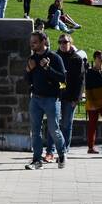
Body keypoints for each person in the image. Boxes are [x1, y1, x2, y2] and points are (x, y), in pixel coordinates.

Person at [25, 31, 67, 170]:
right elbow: (27, 80)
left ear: (43, 42)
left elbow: (62, 79)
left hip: (51, 99)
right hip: (36, 99)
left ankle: (61, 153)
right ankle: (37, 160)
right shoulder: (32, 58)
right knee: (35, 131)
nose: (32, 44)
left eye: (35, 42)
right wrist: (29, 70)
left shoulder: (54, 58)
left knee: (54, 129)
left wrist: (47, 68)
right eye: (31, 42)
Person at [57, 33, 85, 151]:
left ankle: (64, 148)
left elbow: (80, 81)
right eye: (60, 42)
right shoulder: (56, 57)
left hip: (70, 97)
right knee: (55, 124)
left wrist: (76, 98)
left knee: (67, 124)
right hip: (57, 96)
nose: (62, 44)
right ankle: (55, 148)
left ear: (70, 43)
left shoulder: (76, 59)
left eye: (65, 42)